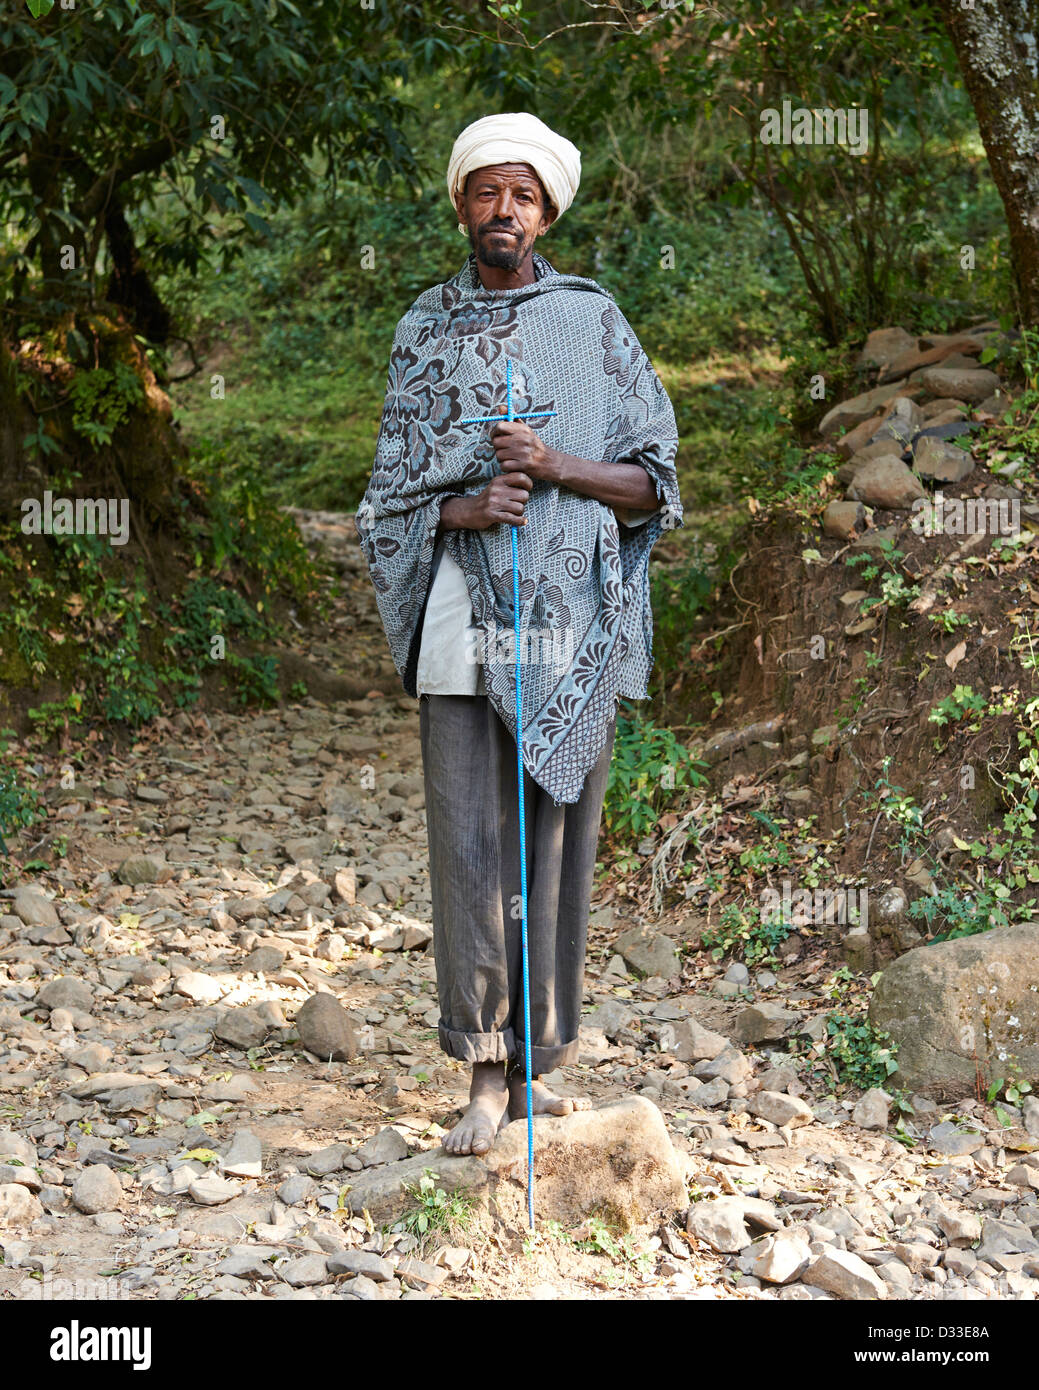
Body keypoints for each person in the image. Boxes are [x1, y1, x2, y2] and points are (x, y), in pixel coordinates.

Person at [356, 112, 682, 1156]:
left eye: (524, 195)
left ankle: (538, 1059)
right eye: (487, 191)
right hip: (463, 612)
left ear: (546, 210)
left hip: (570, 625)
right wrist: (462, 509)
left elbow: (652, 487)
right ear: (461, 203)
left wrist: (552, 467)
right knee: (469, 834)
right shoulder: (422, 326)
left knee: (551, 836)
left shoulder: (592, 323)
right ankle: (484, 1071)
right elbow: (386, 502)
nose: (505, 210)